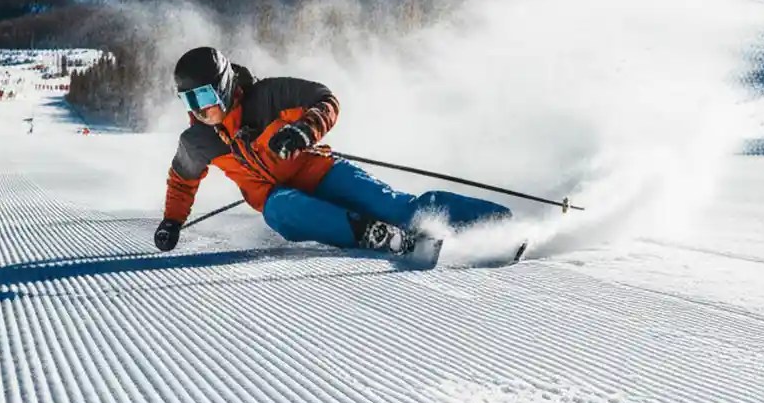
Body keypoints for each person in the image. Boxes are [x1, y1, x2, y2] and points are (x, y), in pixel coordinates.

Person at [153, 46, 512, 256]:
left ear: (225, 84)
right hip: (285, 199)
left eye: (204, 95)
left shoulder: (269, 97)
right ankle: (373, 235)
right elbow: (182, 180)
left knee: (396, 207)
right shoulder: (198, 139)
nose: (199, 108)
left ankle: (499, 223)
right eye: (188, 99)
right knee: (278, 209)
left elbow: (325, 99)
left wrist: (303, 131)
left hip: (323, 172)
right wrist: (172, 221)